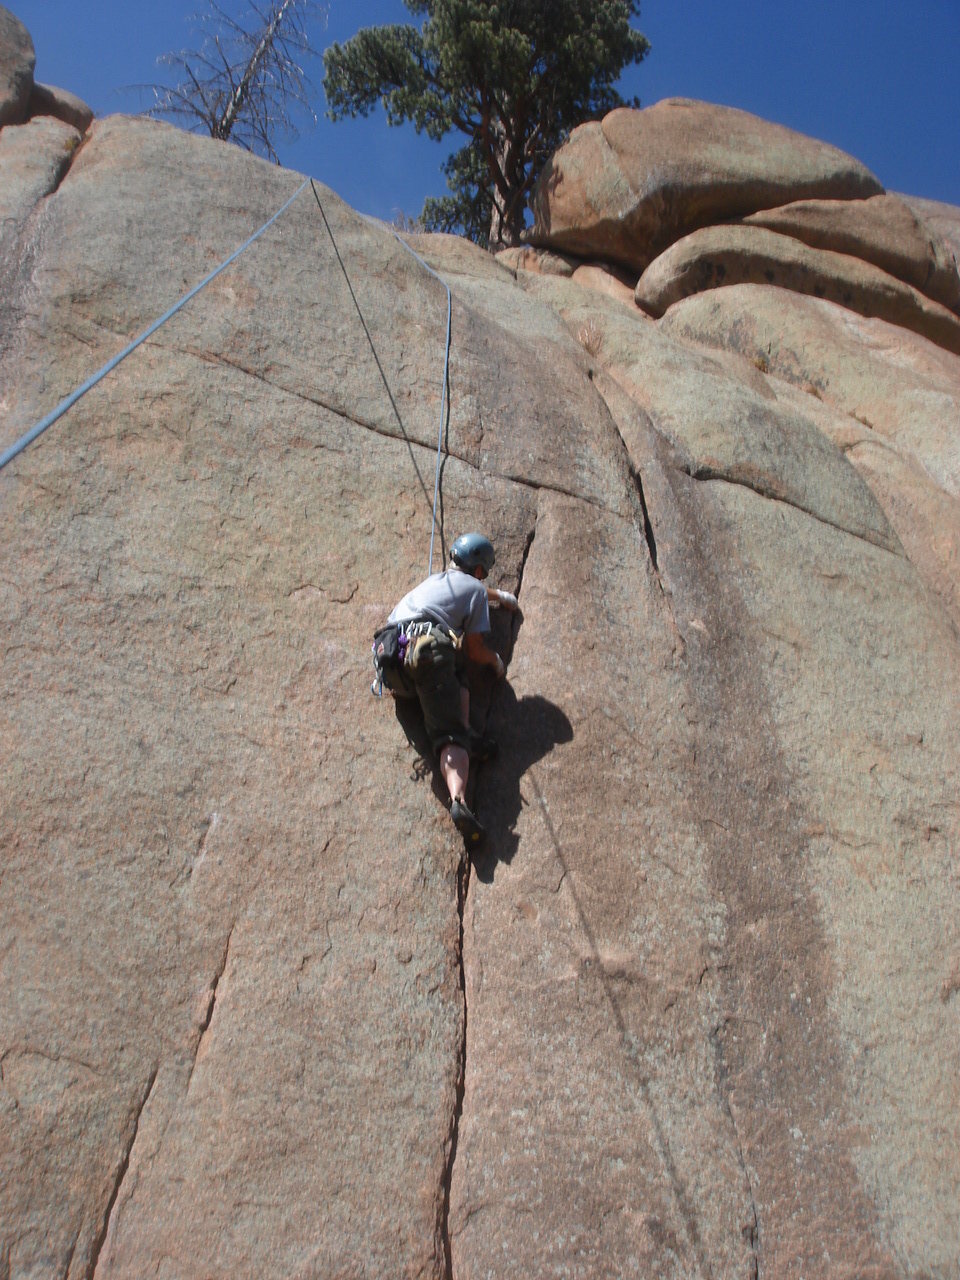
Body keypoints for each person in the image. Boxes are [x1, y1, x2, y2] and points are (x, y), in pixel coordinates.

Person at [378, 533, 519, 845]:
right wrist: (496, 662)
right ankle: (459, 801)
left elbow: (479, 592)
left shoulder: (434, 582)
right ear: (480, 569)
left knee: (457, 676)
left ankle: (465, 732)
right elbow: (474, 649)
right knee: (449, 733)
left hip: (391, 659)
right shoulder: (475, 590)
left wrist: (502, 599)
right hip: (428, 653)